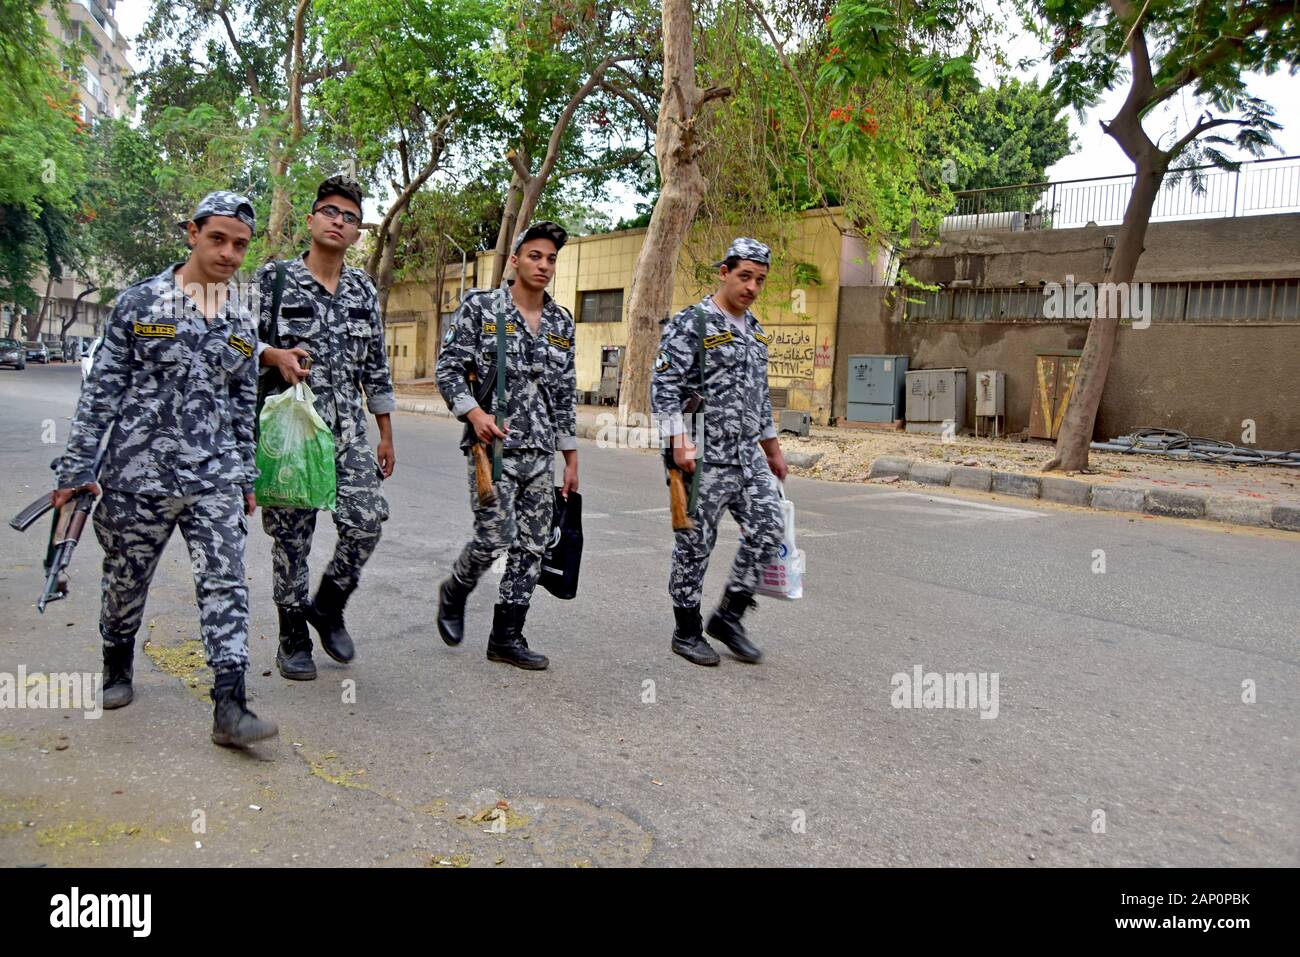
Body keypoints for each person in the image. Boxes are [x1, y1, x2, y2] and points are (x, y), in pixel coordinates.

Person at [51, 191, 276, 746]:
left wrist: (246, 474)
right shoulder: (140, 303)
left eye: (240, 245)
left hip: (214, 476)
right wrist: (76, 468)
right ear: (192, 233)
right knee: (126, 579)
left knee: (226, 581)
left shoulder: (242, 319)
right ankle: (116, 664)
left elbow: (242, 404)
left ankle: (231, 705)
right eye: (218, 238)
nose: (228, 253)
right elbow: (102, 391)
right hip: (137, 475)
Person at [255, 174, 397, 680]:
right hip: (292, 431)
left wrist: (384, 430)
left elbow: (376, 364)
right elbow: (229, 346)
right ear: (311, 219)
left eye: (351, 217)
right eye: (331, 211)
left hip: (350, 433)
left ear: (358, 233)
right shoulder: (271, 282)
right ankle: (292, 636)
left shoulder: (362, 288)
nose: (340, 221)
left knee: (367, 521)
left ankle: (329, 604)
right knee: (292, 537)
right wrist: (271, 353)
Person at [433, 221, 578, 670]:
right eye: (535, 256)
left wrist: (570, 456)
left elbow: (564, 391)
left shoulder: (560, 322)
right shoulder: (482, 308)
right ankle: (455, 589)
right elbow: (448, 369)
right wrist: (473, 414)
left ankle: (506, 636)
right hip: (491, 450)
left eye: (551, 259)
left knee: (533, 545)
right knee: (495, 535)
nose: (544, 265)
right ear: (515, 260)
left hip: (540, 452)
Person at [651, 237, 788, 667]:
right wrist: (677, 439)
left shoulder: (756, 330)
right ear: (724, 272)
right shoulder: (692, 323)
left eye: (760, 280)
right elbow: (664, 387)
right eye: (745, 276)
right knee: (695, 545)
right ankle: (686, 630)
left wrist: (773, 449)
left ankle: (729, 616)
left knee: (770, 528)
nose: (751, 287)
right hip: (702, 451)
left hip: (746, 454)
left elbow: (759, 397)